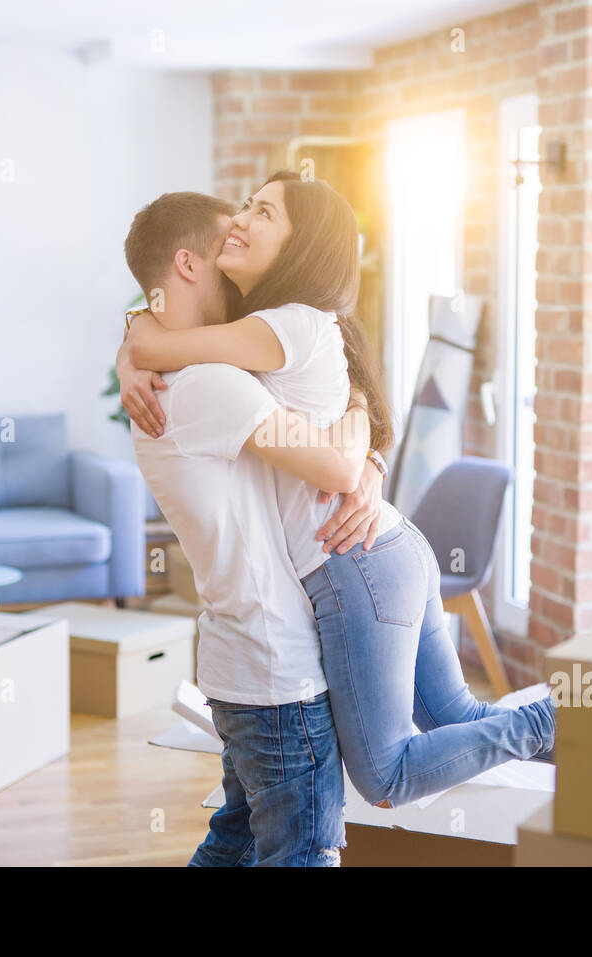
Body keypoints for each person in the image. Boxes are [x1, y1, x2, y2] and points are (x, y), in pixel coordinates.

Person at [119, 175, 556, 821]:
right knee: (459, 718)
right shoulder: (277, 327)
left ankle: (552, 716)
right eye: (242, 210)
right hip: (389, 544)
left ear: (300, 247)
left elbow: (163, 341)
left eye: (260, 212)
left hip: (355, 560)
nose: (241, 221)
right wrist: (132, 342)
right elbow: (159, 324)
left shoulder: (274, 330)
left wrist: (136, 348)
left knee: (386, 771)